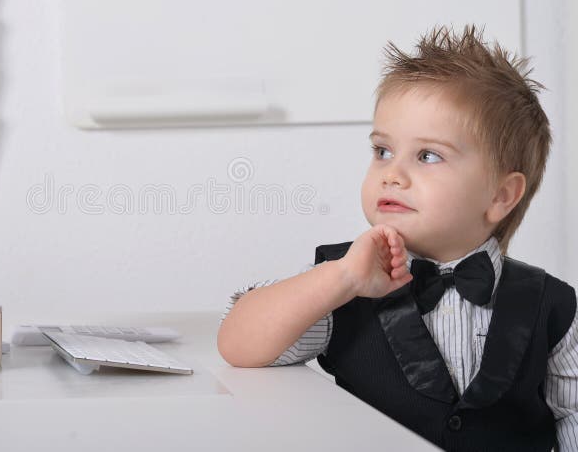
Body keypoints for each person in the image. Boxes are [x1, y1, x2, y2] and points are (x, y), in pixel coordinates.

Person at [217, 25, 578, 451]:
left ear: (501, 195)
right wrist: (341, 279)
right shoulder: (344, 281)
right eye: (382, 151)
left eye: (428, 155)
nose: (392, 173)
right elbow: (238, 345)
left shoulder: (552, 307)